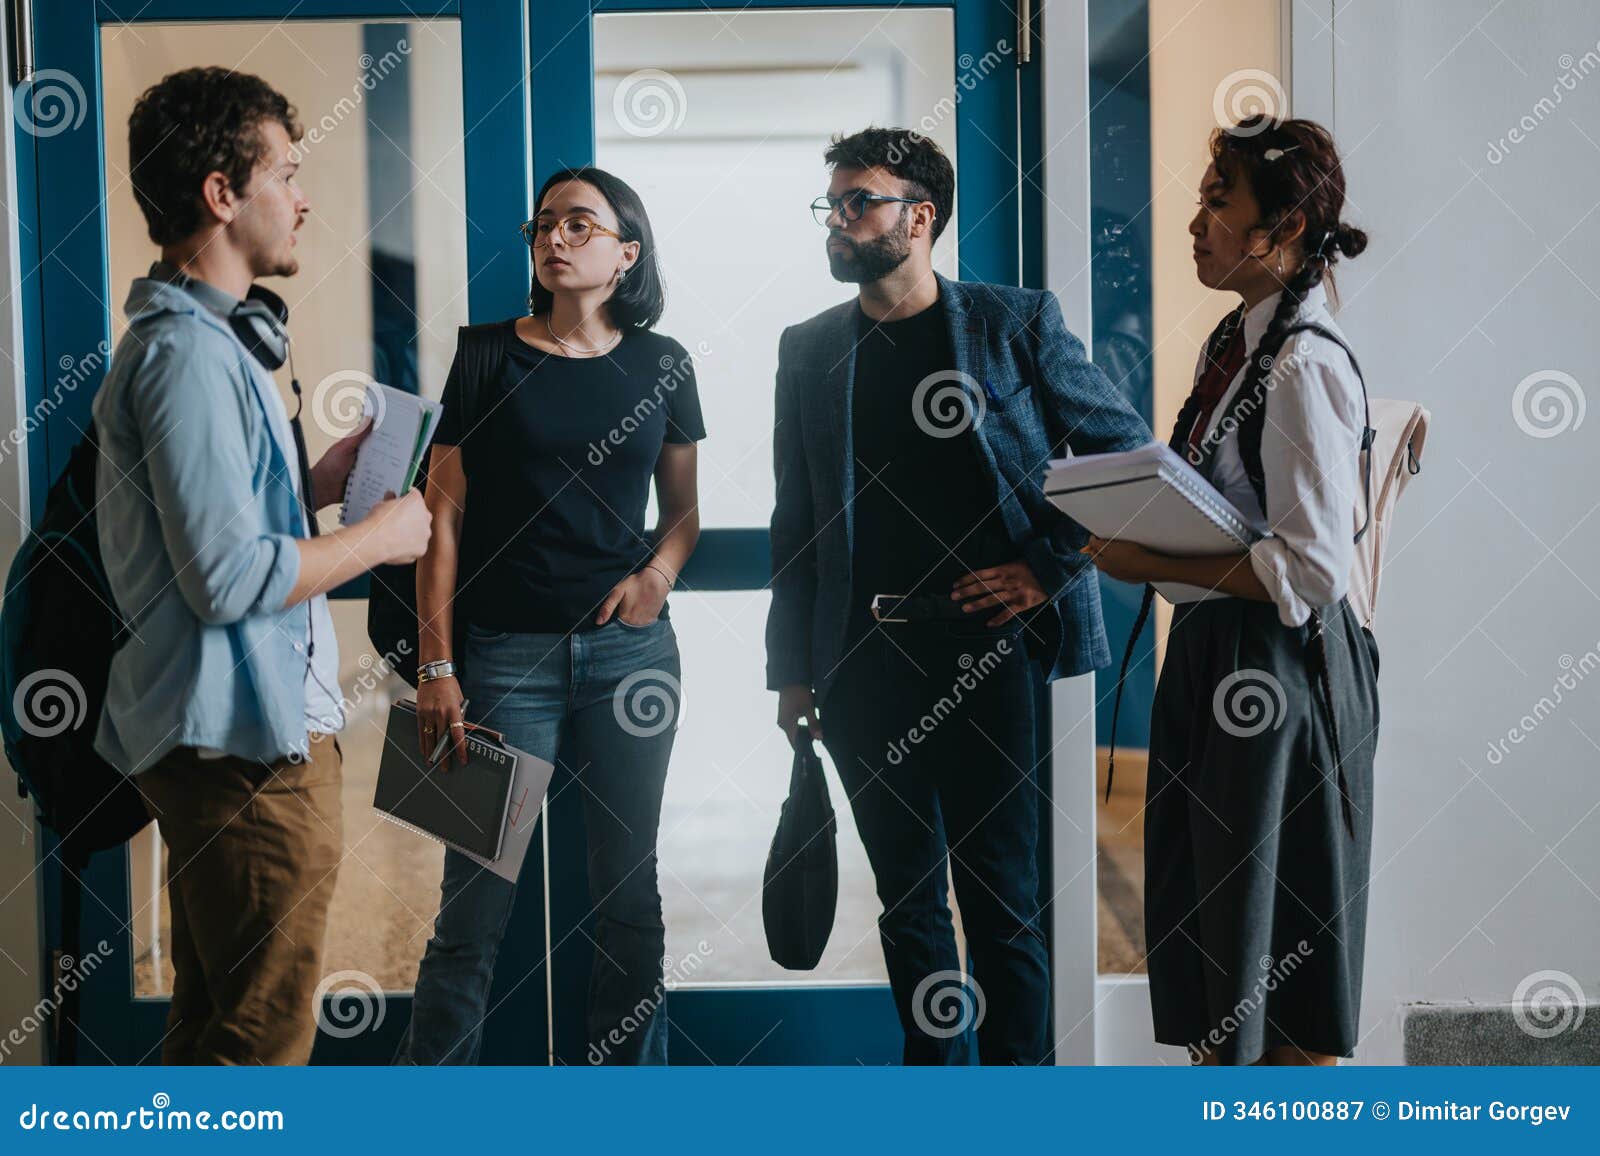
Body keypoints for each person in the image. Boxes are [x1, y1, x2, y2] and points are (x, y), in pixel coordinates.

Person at [767, 128, 1151, 1064]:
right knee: (907, 907)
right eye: (832, 204)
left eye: (859, 201)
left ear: (920, 217)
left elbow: (1126, 455)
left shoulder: (1010, 322)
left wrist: (1047, 566)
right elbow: (799, 520)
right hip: (863, 659)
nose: (838, 220)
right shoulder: (810, 348)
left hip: (990, 656)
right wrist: (792, 672)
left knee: (1002, 903)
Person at [94, 67, 433, 1065]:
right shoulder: (189, 359)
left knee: (211, 1025)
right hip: (243, 752)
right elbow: (230, 579)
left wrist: (317, 482)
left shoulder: (210, 347)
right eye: (286, 170)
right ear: (219, 193)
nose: (304, 193)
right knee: (261, 1036)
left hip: (234, 741)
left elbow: (221, 533)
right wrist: (378, 540)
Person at [1083, 116, 1377, 1066]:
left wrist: (1154, 564)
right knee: (1223, 933)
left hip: (1284, 678)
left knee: (1282, 948)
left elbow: (1313, 569)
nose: (1195, 222)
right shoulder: (1240, 337)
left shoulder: (1304, 363)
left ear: (1280, 226)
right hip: (1222, 660)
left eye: (1218, 202)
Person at [398, 167, 703, 1065]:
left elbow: (681, 511)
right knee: (472, 909)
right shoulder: (486, 351)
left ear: (626, 253)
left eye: (580, 224)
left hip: (631, 657)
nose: (555, 238)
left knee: (628, 898)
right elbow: (439, 517)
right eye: (544, 225)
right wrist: (437, 666)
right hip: (497, 661)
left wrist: (659, 576)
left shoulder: (662, 362)